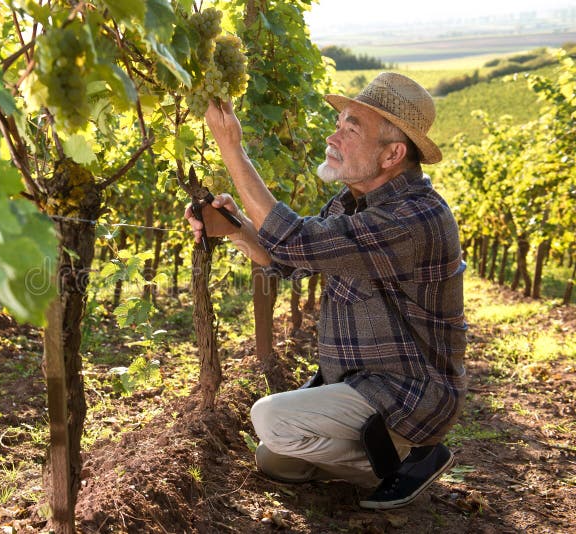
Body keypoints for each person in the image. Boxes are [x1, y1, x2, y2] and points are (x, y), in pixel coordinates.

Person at [185, 72, 467, 509]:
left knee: (269, 416)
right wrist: (237, 228)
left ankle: (414, 454)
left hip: (407, 393)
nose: (333, 136)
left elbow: (296, 239)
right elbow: (290, 260)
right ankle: (385, 458)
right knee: (276, 459)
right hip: (357, 382)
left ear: (393, 154)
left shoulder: (417, 218)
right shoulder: (351, 202)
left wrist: (230, 147)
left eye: (351, 129)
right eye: (340, 122)